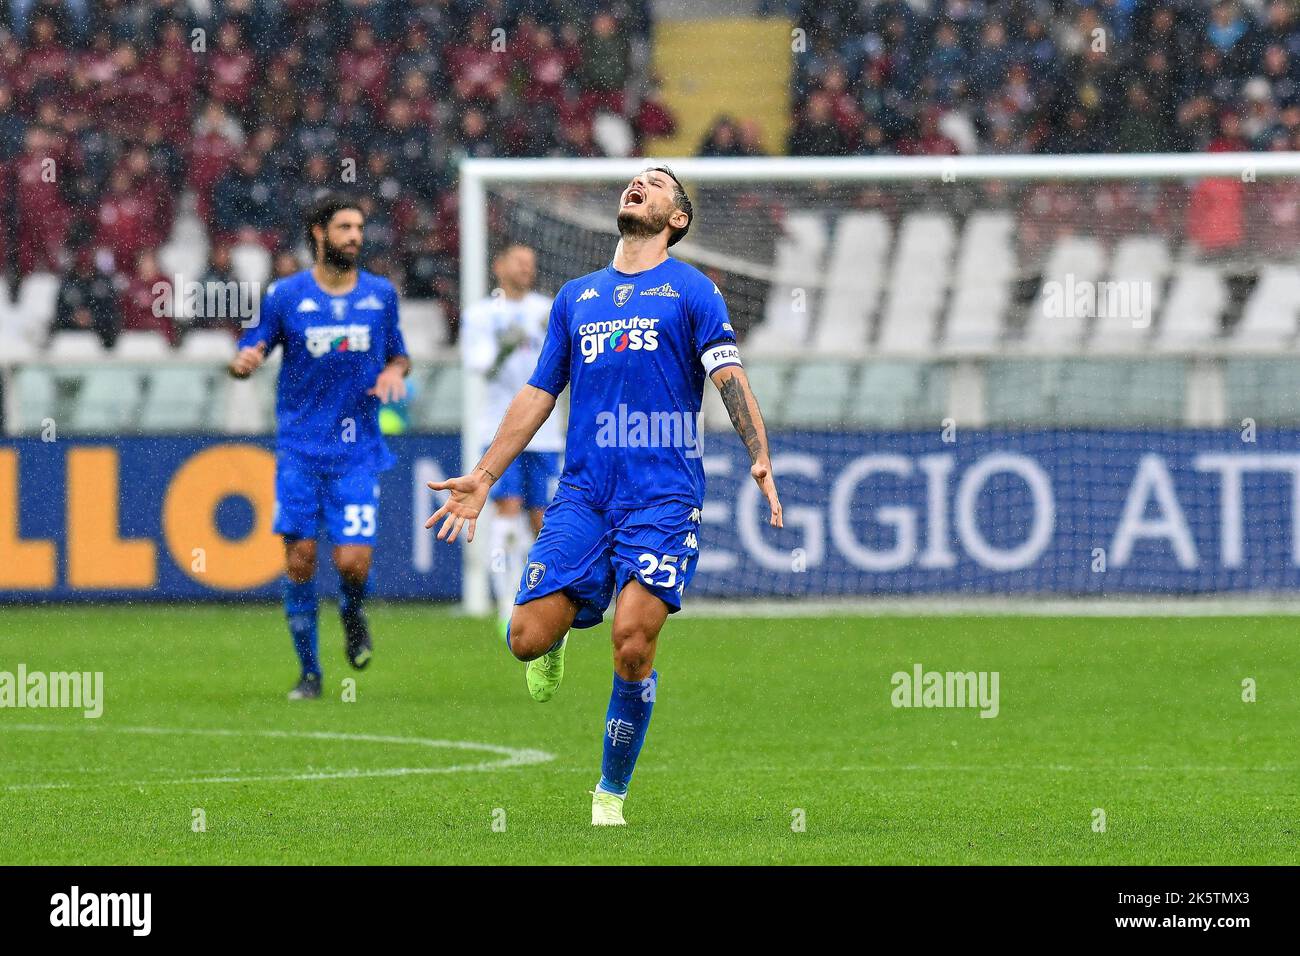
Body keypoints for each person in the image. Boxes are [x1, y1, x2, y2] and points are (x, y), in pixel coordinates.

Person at [426, 165, 783, 825]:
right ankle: (558, 634)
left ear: (677, 218)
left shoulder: (692, 290)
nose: (638, 184)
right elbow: (538, 392)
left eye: (657, 182)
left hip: (663, 499)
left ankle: (609, 794)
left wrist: (758, 456)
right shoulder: (578, 298)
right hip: (585, 494)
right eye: (635, 178)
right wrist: (483, 474)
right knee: (525, 640)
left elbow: (729, 375)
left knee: (631, 641)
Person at [229, 194, 410, 700]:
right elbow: (256, 341)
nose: (355, 236)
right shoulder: (287, 295)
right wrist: (244, 360)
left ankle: (352, 612)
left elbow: (400, 355)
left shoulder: (380, 295)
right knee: (301, 559)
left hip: (357, 454)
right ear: (318, 232)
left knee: (353, 562)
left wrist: (395, 372)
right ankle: (310, 673)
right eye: (344, 227)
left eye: (359, 227)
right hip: (300, 453)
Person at [459, 243, 563, 633]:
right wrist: (504, 347)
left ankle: (545, 596)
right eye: (519, 262)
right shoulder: (483, 314)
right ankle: (506, 599)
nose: (526, 269)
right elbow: (480, 365)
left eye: (531, 263)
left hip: (546, 432)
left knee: (543, 520)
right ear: (498, 266)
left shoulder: (548, 309)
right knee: (506, 513)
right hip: (500, 431)